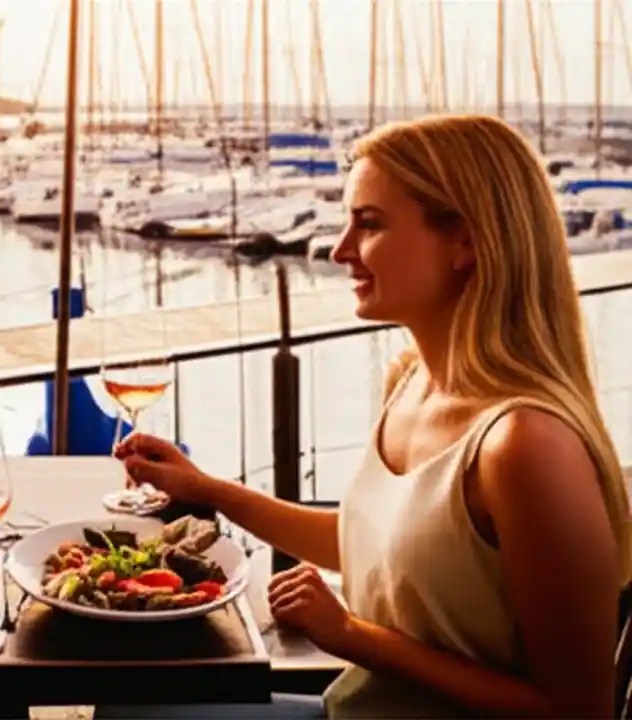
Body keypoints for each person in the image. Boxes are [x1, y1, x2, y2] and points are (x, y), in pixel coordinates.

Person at [111, 114, 630, 719]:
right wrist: (209, 490)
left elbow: (577, 711)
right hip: (353, 709)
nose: (338, 249)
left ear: (467, 242)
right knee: (126, 703)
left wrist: (354, 637)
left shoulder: (527, 446)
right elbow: (384, 543)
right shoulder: (411, 380)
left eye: (370, 223)